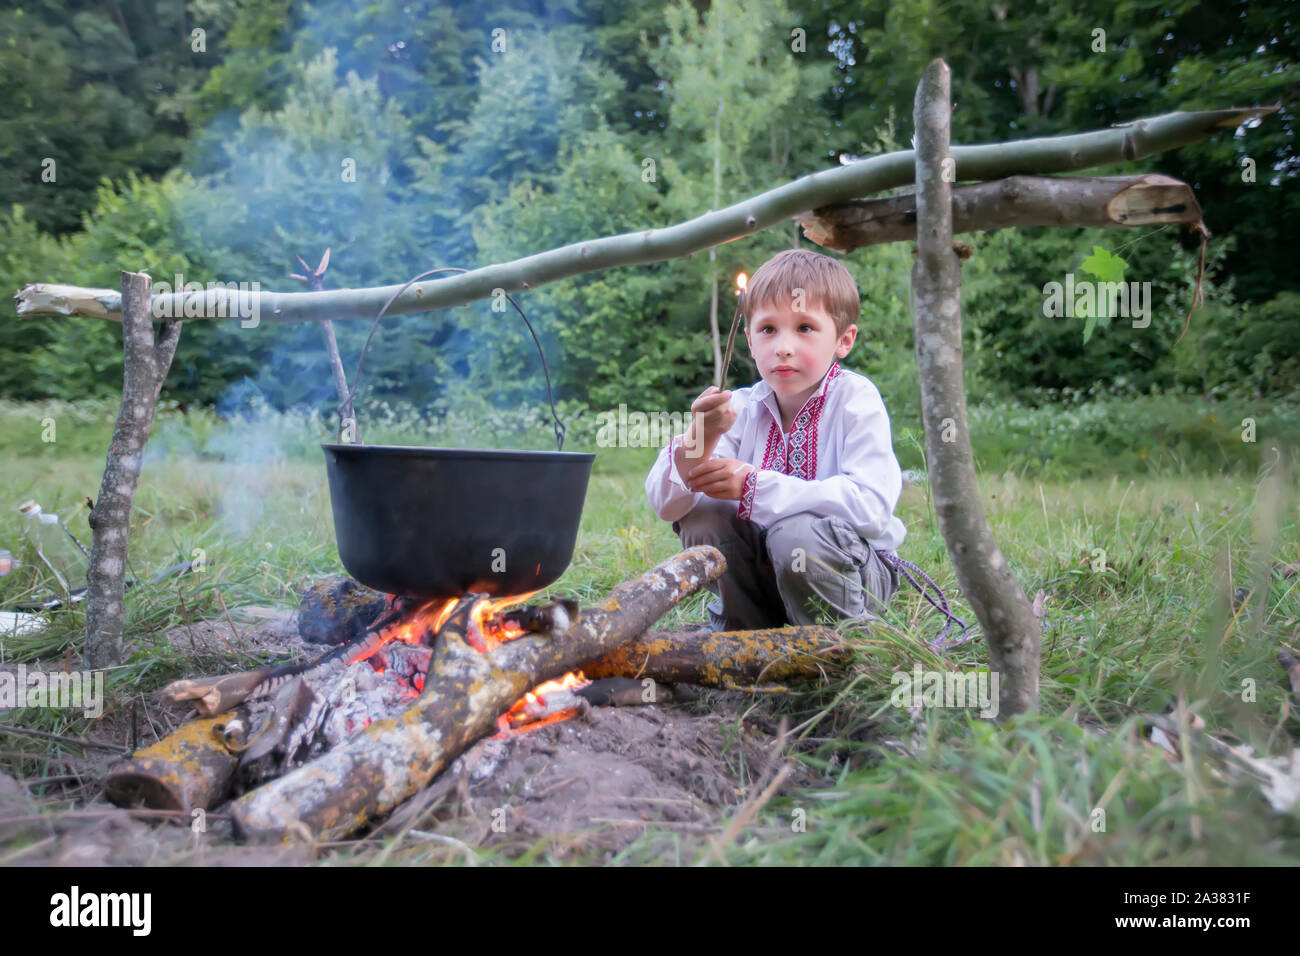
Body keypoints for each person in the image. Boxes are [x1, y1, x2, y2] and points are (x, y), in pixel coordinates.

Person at [644, 249, 967, 646]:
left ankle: (837, 645)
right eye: (768, 330)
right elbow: (667, 504)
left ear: (844, 340)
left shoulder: (855, 398)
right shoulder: (740, 407)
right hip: (766, 575)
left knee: (796, 535)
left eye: (804, 328)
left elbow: (870, 507)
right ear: (748, 340)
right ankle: (744, 635)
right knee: (705, 515)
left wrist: (754, 487)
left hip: (852, 574)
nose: (783, 347)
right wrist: (702, 437)